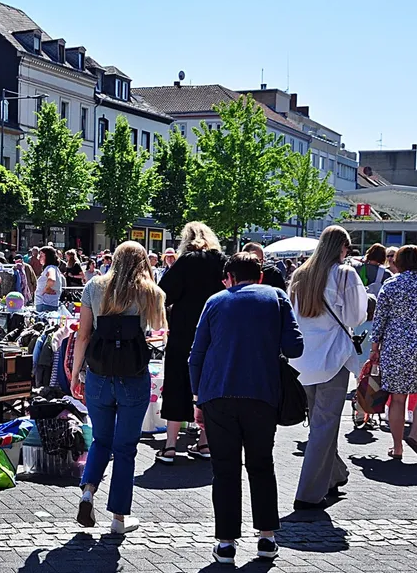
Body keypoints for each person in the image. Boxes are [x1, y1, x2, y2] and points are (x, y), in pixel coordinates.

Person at [190, 253, 304, 563]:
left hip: (217, 394)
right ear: (260, 276)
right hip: (261, 394)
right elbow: (295, 347)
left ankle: (226, 543)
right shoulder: (276, 297)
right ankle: (266, 537)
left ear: (229, 277)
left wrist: (197, 397)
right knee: (261, 465)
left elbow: (196, 354)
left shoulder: (215, 301)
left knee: (225, 469)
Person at [71, 241, 167, 535]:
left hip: (99, 374)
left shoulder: (94, 286)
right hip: (133, 374)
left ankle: (88, 492)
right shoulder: (150, 291)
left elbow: (83, 335)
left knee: (101, 440)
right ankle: (118, 518)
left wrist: (75, 373)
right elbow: (158, 329)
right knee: (125, 448)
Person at [287, 225, 367, 510]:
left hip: (303, 359)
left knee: (319, 424)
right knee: (324, 426)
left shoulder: (300, 274)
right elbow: (356, 317)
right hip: (333, 357)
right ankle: (308, 493)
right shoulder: (345, 274)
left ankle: (335, 475)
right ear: (342, 248)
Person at [369, 245, 417, 459]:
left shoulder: (390, 285)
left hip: (394, 347)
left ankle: (397, 447)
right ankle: (414, 434)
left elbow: (379, 319)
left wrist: (375, 347)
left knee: (397, 398)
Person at [157, 222, 227, 463]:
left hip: (184, 331)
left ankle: (170, 446)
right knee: (209, 385)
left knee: (177, 383)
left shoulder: (186, 261)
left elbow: (163, 293)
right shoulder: (222, 261)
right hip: (214, 332)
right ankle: (204, 443)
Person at [35, 246, 63, 312]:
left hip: (45, 304)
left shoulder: (50, 268)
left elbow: (51, 280)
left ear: (47, 256)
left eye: (41, 255)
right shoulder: (53, 268)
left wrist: (46, 289)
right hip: (48, 303)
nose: (39, 257)